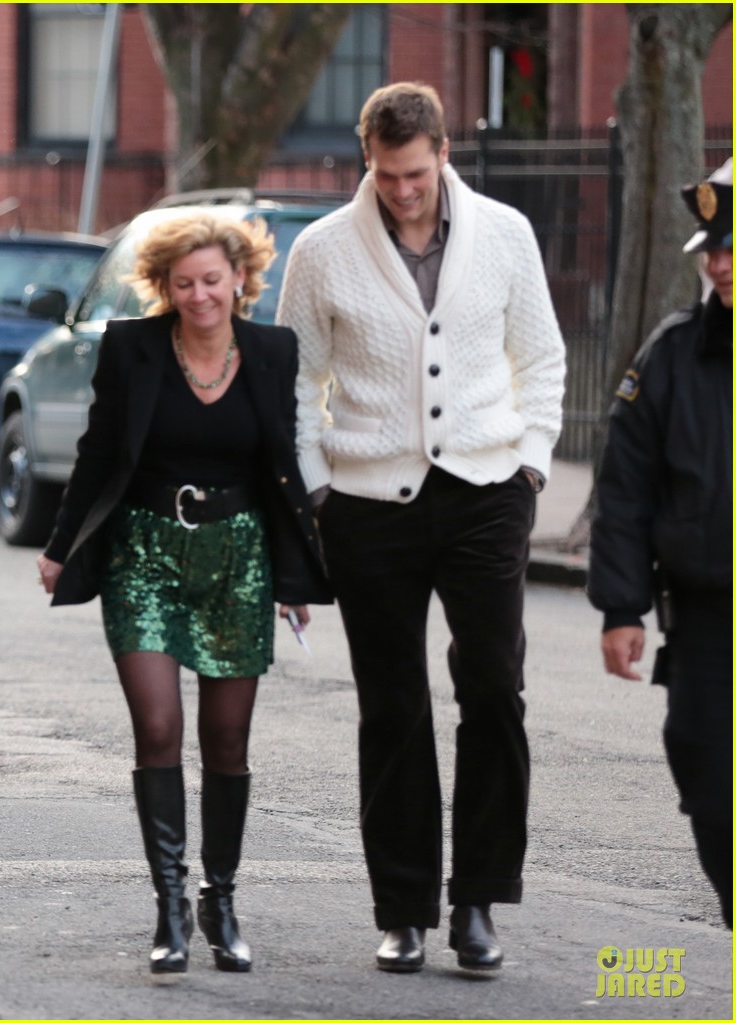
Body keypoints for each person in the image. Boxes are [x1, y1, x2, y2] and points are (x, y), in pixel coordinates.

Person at [277, 82, 566, 973]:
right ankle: (402, 906)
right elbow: (295, 377)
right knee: (392, 706)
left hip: (486, 489)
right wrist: (319, 490)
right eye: (384, 174)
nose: (401, 190)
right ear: (366, 161)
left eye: (414, 172)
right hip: (367, 505)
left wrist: (533, 464)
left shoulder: (506, 235)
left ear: (442, 153)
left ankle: (478, 901)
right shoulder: (324, 250)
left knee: (492, 690)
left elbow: (543, 355)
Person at [37, 213, 332, 975]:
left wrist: (295, 572)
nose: (201, 295)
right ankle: (169, 907)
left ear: (241, 280)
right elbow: (99, 451)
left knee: (228, 741)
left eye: (213, 280)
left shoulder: (272, 351)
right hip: (144, 549)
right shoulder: (132, 348)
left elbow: (283, 467)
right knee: (159, 725)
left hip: (239, 554)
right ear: (165, 286)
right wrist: (62, 543)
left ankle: (220, 897)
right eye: (185, 282)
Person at [588, 159, 732, 928]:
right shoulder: (673, 353)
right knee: (707, 770)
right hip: (707, 615)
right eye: (712, 247)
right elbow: (625, 485)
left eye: (733, 246)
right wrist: (621, 605)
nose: (719, 261)